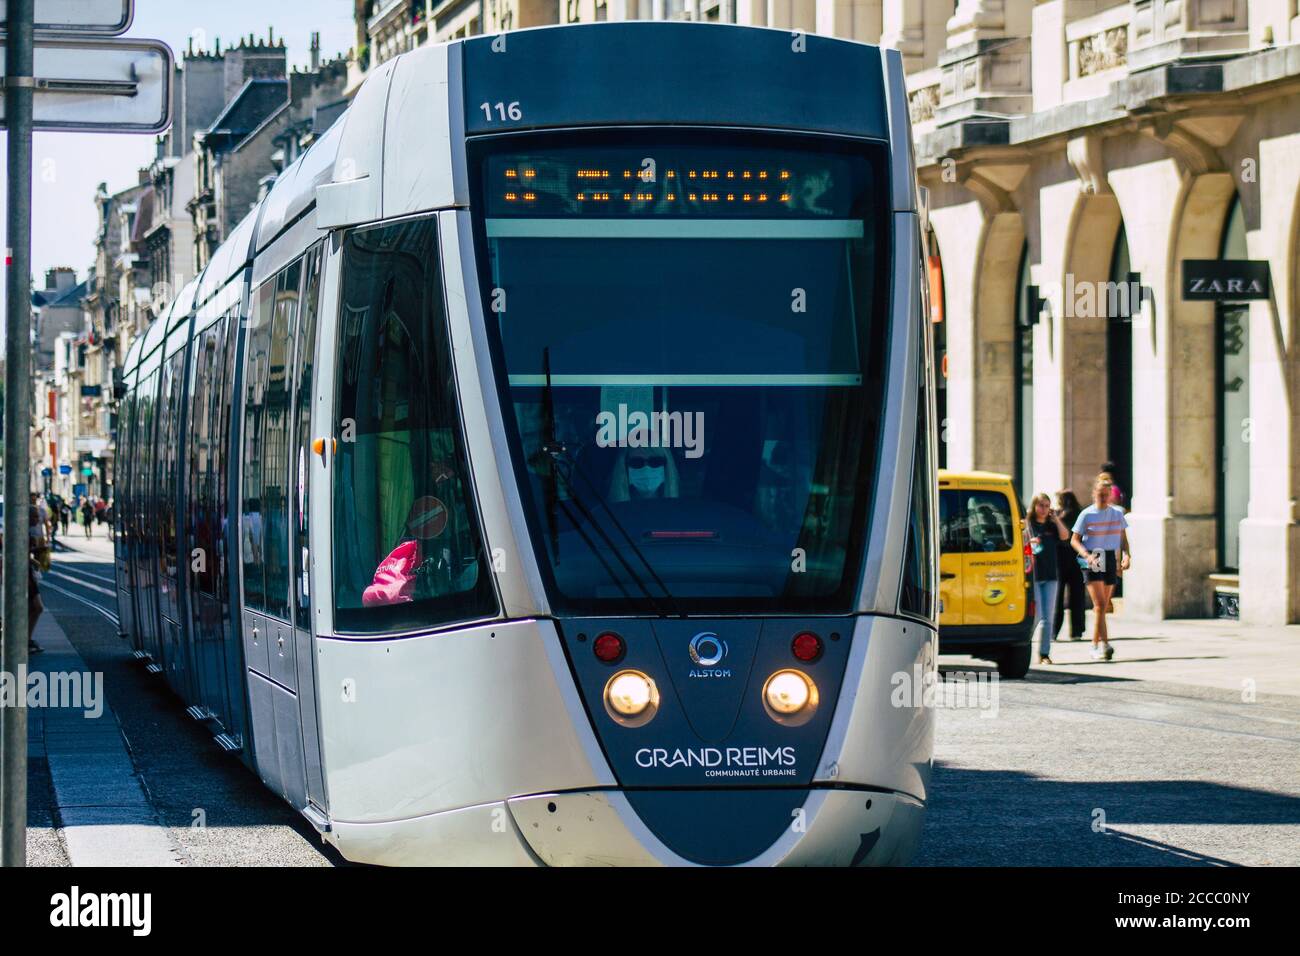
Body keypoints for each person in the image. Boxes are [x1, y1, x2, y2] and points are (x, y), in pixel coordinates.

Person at [1071, 478, 1131, 661]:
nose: (1104, 498)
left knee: (1104, 606)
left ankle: (1099, 644)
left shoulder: (1117, 514)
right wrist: (1086, 555)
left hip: (1110, 556)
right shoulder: (1086, 514)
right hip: (1093, 556)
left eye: (1106, 495)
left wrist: (1127, 555)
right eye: (1100, 495)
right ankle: (1100, 645)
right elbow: (1074, 540)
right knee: (1099, 605)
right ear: (1094, 494)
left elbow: (1123, 538)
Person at [1025, 493, 1069, 664]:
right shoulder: (1028, 525)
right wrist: (1029, 543)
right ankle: (1024, 646)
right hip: (1034, 575)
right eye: (1041, 505)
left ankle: (1044, 654)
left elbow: (1065, 536)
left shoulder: (1051, 527)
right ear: (1034, 506)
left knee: (1048, 617)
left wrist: (1056, 519)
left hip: (1051, 575)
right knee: (1036, 617)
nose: (1044, 509)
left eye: (1046, 506)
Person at [1053, 488, 1086, 641]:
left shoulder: (1060, 516)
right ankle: (1077, 631)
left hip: (1060, 558)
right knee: (1077, 596)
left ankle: (1054, 631)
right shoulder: (1080, 514)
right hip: (1077, 558)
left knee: (1057, 597)